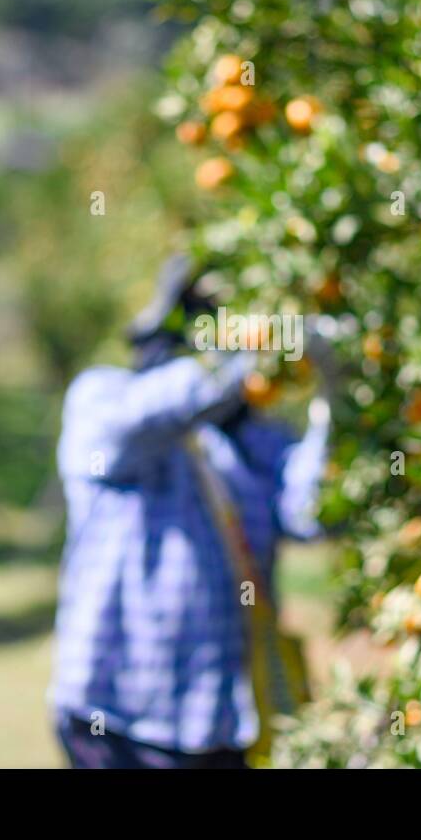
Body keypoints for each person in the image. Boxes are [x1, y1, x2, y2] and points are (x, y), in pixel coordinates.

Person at [51, 256, 335, 768]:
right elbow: (138, 420)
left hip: (222, 728)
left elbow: (313, 513)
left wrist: (333, 396)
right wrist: (243, 352)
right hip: (114, 721)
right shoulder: (103, 397)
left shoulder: (258, 441)